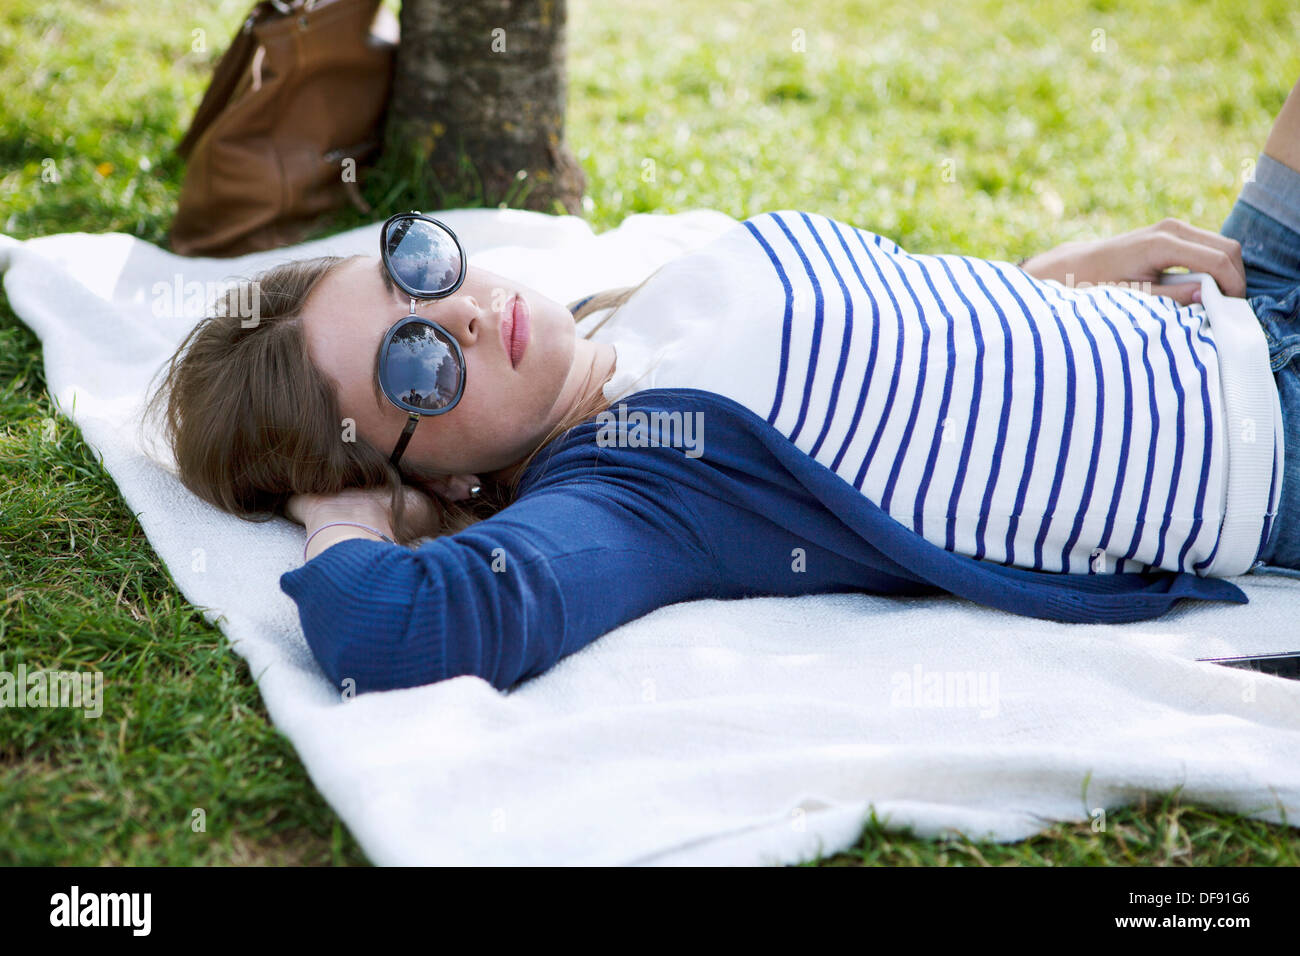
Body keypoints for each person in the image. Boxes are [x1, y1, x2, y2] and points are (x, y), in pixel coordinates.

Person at [146, 77, 1300, 695]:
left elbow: (916, 361)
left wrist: (1045, 277)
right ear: (438, 484)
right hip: (1274, 441)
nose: (448, 309)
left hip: (1236, 300)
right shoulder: (633, 491)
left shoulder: (647, 300)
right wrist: (344, 508)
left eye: (415, 264)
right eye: (414, 363)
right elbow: (390, 628)